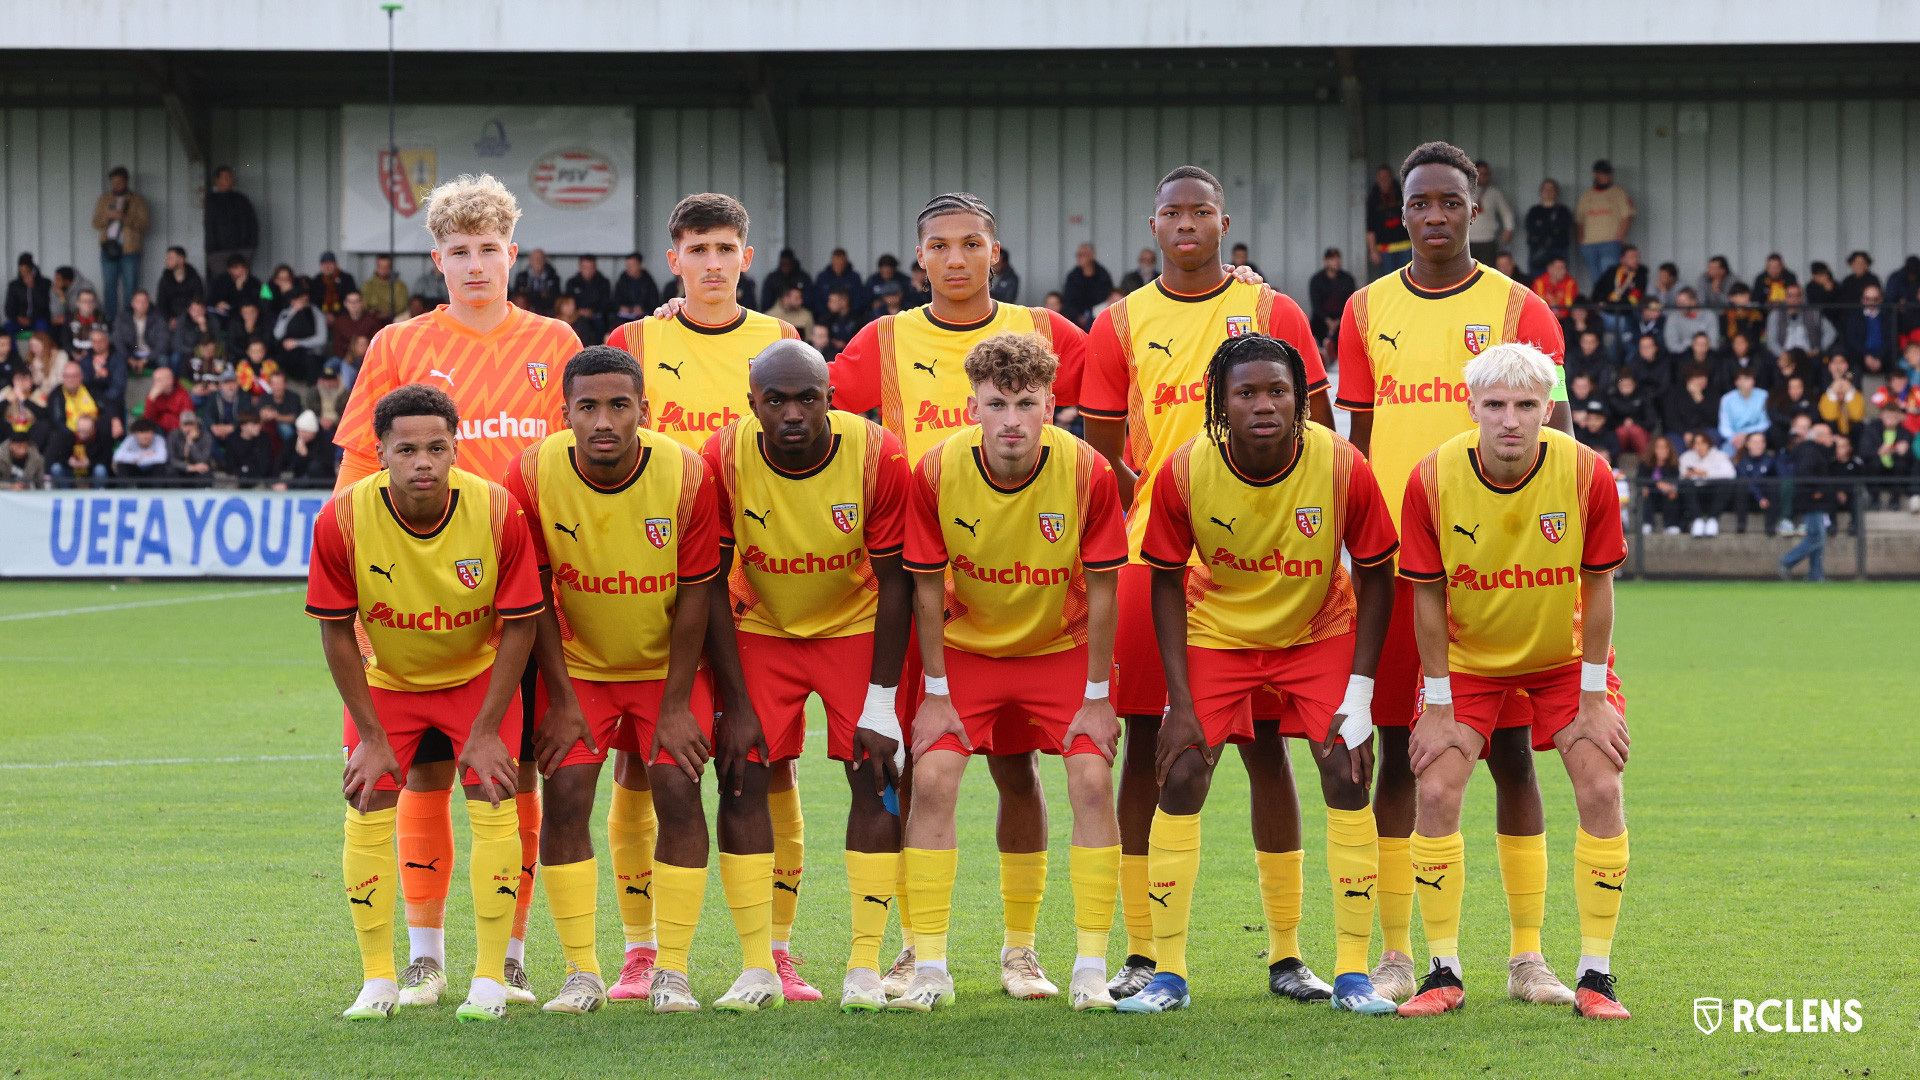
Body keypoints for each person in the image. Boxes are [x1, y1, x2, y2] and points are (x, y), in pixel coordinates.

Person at [828, 192, 1093, 998]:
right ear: (919, 260)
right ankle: (917, 946)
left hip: (1029, 591)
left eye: (970, 243)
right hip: (925, 591)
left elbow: (1138, 366)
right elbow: (804, 401)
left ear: (995, 252)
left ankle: (1021, 950)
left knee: (1019, 771)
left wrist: (1233, 281)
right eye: (938, 245)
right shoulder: (885, 337)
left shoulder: (1047, 332)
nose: (954, 258)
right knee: (914, 769)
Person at [1334, 142, 1578, 1007]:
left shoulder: (1522, 310)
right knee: (1405, 757)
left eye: (1450, 201)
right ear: (1398, 215)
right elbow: (1355, 450)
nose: (1434, 215)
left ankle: (1527, 957)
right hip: (1403, 572)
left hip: (1503, 576)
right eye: (1419, 203)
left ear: (1476, 209)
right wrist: (1348, 549)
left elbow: (1562, 452)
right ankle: (1400, 953)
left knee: (1514, 757)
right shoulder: (1364, 310)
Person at [333, 173, 584, 1010]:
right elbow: (357, 477)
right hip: (415, 596)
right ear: (436, 260)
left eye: (489, 249)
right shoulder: (397, 346)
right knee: (423, 778)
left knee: (514, 778)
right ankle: (425, 954)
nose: (475, 264)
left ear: (513, 253)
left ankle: (508, 953)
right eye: (458, 251)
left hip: (525, 597)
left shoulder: (554, 342)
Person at [1080, 165, 1330, 1001]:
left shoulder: (1275, 310)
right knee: (1152, 753)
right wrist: (1162, 513)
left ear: (1225, 223)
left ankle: (1287, 954)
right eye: (1172, 212)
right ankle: (1146, 954)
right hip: (1163, 569)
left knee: (1268, 754)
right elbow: (1108, 454)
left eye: (1202, 212)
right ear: (1153, 224)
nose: (1186, 224)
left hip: (1264, 568)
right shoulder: (1118, 324)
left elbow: (1318, 432)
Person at [1115, 334, 1399, 1017]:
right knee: (1181, 769)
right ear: (1220, 403)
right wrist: (1177, 704)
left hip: (1317, 631)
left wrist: (1359, 694)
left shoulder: (1341, 464)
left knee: (1344, 768)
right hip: (1219, 633)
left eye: (1278, 390)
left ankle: (1351, 973)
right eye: (1246, 392)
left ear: (1301, 400)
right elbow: (1162, 580)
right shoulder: (1187, 467)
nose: (1264, 404)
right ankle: (1169, 974)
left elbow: (1378, 573)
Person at [502, 344, 753, 1015]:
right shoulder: (530, 473)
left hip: (665, 669)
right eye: (588, 407)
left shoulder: (685, 473)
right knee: (567, 795)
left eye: (619, 405)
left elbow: (699, 594)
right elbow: (535, 598)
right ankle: (581, 973)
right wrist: (556, 698)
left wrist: (676, 705)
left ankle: (671, 970)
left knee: (677, 788)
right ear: (566, 413)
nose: (604, 420)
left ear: (646, 408)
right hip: (580, 670)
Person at [597, 192, 798, 1002]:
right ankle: (642, 950)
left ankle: (775, 949)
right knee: (642, 772)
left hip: (754, 590)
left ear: (746, 259)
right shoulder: (633, 341)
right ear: (672, 258)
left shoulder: (779, 343)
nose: (712, 263)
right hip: (654, 589)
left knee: (769, 771)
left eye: (726, 249)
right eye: (697, 249)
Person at [1396, 340, 1632, 1021]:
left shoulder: (1587, 473)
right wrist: (1436, 705)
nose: (1510, 420)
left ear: (1547, 408)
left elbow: (1600, 585)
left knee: (1601, 783)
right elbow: (1429, 597)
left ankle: (1597, 975)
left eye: (1526, 405)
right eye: (1495, 405)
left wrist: (1593, 697)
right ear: (1471, 407)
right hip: (1468, 661)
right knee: (1436, 789)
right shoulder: (1432, 478)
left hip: (1563, 660)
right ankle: (1442, 972)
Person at [892, 332, 1126, 1015]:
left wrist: (1098, 695)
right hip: (969, 654)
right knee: (932, 777)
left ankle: (1082, 964)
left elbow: (1105, 588)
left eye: (1027, 403)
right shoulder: (936, 469)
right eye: (997, 404)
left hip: (1059, 650)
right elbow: (926, 588)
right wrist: (934, 691)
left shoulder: (1088, 471)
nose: (1013, 420)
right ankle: (930, 963)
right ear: (973, 408)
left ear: (1052, 406)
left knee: (1089, 776)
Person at [306, 384, 542, 1022]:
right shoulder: (344, 518)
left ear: (455, 449)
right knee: (366, 797)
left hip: (475, 677)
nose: (423, 462)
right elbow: (334, 629)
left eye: (437, 447)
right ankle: (379, 980)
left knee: (496, 796)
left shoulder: (495, 511)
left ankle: (490, 980)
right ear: (379, 451)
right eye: (407, 448)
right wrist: (370, 734)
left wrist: (489, 727)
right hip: (389, 684)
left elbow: (520, 622)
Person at [699, 340, 915, 1012]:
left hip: (855, 627)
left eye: (807, 397)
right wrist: (733, 702)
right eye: (776, 399)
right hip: (761, 628)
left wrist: (882, 704)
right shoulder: (722, 456)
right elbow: (707, 582)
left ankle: (863, 965)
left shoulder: (878, 454)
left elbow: (897, 583)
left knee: (877, 778)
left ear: (831, 398)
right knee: (741, 776)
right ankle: (757, 966)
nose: (792, 412)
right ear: (752, 404)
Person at [1779, 423, 1834, 580]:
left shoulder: (1814, 450)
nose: (1831, 437)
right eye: (1828, 434)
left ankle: (1816, 575)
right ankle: (1787, 561)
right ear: (1819, 437)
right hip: (1810, 500)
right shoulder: (1811, 451)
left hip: (1812, 500)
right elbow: (1804, 473)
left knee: (1818, 538)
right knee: (1816, 537)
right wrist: (1817, 489)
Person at [92, 167, 150, 315]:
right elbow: (96, 223)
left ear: (126, 182)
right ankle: (111, 321)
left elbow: (144, 225)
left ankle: (129, 320)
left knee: (130, 288)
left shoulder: (137, 200)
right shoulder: (105, 199)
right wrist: (108, 217)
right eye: (113, 182)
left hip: (130, 250)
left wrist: (124, 218)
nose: (116, 185)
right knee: (109, 287)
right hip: (109, 249)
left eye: (119, 182)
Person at [1575, 161, 1633, 289]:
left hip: (1610, 244)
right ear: (1596, 174)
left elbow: (1627, 216)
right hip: (1589, 245)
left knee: (1611, 280)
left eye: (1607, 174)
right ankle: (1600, 308)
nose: (1605, 177)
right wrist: (1581, 240)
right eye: (1602, 173)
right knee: (1597, 282)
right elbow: (1579, 221)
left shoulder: (1618, 192)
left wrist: (1618, 237)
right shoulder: (1587, 195)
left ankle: (1609, 308)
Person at [1678, 429, 1735, 537]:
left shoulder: (1720, 455)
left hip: (1713, 492)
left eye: (1702, 443)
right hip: (1696, 493)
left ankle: (1712, 519)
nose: (1699, 447)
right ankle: (1697, 520)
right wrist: (1696, 474)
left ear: (1708, 444)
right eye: (1696, 443)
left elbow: (1730, 473)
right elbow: (1683, 475)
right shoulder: (1686, 457)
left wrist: (1706, 473)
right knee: (1685, 484)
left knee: (1724, 484)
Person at [271, 287, 330, 382]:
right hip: (291, 354)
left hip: (311, 352)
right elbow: (278, 334)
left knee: (311, 361)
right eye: (296, 300)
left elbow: (322, 339)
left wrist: (297, 343)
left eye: (301, 299)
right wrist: (292, 312)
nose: (299, 302)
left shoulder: (316, 313)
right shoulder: (286, 312)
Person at [1593, 247, 1646, 351]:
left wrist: (1607, 305)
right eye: (1632, 257)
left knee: (1621, 328)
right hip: (1605, 314)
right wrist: (1600, 303)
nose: (1636, 260)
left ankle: (1624, 362)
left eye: (1637, 257)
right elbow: (1597, 291)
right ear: (1622, 260)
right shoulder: (1612, 271)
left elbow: (1631, 302)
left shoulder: (1640, 276)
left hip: (1626, 315)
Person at [1308, 248, 1357, 357]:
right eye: (1332, 259)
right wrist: (1328, 320)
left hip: (1342, 318)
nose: (1336, 261)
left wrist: (1339, 320)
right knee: (1313, 329)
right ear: (1326, 261)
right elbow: (1315, 305)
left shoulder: (1347, 279)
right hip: (1322, 319)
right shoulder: (1316, 280)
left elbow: (1351, 303)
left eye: (1337, 258)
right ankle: (1321, 354)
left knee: (1350, 329)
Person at [1523, 179, 1574, 280]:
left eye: (1551, 189)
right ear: (1541, 191)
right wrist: (1552, 227)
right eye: (1546, 189)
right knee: (1537, 281)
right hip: (1538, 252)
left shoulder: (1563, 211)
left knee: (1559, 281)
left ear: (1556, 192)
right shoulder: (1534, 211)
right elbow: (1530, 229)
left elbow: (1563, 228)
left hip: (1558, 251)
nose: (1548, 192)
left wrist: (1542, 226)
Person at [1766, 283, 1836, 357]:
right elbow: (1771, 341)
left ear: (1803, 297)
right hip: (1784, 356)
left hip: (1809, 355)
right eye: (1790, 296)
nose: (1794, 299)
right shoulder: (1775, 314)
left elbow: (1831, 332)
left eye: (1798, 296)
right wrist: (1783, 355)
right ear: (1785, 298)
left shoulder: (1813, 313)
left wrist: (1818, 350)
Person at [1467, 160, 1516, 265]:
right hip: (1467, 240)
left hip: (1488, 240)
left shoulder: (1494, 193)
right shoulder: (1466, 192)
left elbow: (1506, 213)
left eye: (1486, 174)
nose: (1483, 177)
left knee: (1487, 271)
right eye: (1480, 174)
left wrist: (1508, 229)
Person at [46, 411, 111, 487]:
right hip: (71, 472)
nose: (83, 435)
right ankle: (66, 494)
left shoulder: (101, 438)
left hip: (91, 473)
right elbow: (56, 456)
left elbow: (106, 459)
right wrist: (69, 461)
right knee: (56, 468)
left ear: (93, 429)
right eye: (80, 431)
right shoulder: (69, 437)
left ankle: (99, 495)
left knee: (100, 470)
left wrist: (90, 463)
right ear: (77, 428)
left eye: (86, 432)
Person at [1844, 284, 1896, 375]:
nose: (1871, 302)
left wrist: (1879, 357)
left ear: (1881, 299)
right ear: (1862, 299)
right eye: (1867, 299)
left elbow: (1891, 339)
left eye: (1875, 299)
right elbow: (1851, 339)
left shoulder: (1888, 315)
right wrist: (1866, 356)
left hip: (1884, 355)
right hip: (1860, 355)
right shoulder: (1854, 315)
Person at [1638, 435, 1685, 533]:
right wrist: (1657, 484)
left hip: (1666, 496)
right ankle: (1647, 523)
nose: (1661, 450)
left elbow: (1675, 481)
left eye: (1664, 447)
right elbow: (1641, 480)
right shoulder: (1645, 464)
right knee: (1645, 493)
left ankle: (1671, 525)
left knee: (1672, 495)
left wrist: (1669, 487)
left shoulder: (1673, 465)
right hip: (1651, 495)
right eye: (1659, 447)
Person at [1060, 244, 1114, 330]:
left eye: (1082, 255)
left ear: (1091, 256)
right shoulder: (1073, 276)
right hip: (1076, 323)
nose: (1079, 258)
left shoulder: (1103, 275)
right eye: (1077, 255)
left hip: (1099, 320)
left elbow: (1107, 298)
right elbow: (1068, 300)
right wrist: (1077, 316)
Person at [1719, 368, 1770, 449]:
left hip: (1757, 436)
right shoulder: (1727, 399)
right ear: (1737, 382)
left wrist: (1746, 434)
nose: (1750, 381)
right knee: (1725, 454)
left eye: (1751, 378)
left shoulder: (1763, 396)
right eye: (1746, 379)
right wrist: (1734, 438)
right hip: (1734, 439)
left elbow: (1765, 423)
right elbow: (1724, 426)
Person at [564, 255, 613, 340]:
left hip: (597, 315)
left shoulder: (603, 282)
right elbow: (567, 301)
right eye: (585, 267)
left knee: (601, 323)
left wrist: (592, 311)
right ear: (580, 267)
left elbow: (606, 303)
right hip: (577, 314)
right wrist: (579, 311)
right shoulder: (572, 283)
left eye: (591, 267)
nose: (588, 270)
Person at [331, 291, 389, 361]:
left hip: (369, 357)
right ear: (345, 304)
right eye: (350, 302)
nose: (354, 305)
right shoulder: (339, 322)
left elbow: (377, 342)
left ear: (362, 303)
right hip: (345, 358)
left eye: (357, 301)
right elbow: (337, 345)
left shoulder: (372, 320)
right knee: (329, 367)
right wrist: (347, 357)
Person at [154, 247, 205, 324]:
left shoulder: (194, 278)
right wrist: (169, 320)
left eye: (171, 258)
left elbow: (197, 301)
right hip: (168, 321)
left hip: (190, 320)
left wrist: (182, 320)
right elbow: (161, 303)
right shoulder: (165, 279)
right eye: (167, 258)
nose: (167, 261)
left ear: (181, 260)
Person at [1819, 355, 1866, 438]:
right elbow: (1829, 417)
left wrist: (1848, 391)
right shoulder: (1825, 393)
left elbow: (1857, 416)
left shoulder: (1855, 391)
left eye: (1841, 362)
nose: (1838, 366)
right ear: (1829, 366)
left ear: (1847, 365)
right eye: (1834, 362)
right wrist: (1833, 391)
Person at [8, 254, 52, 333]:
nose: (23, 274)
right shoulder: (14, 285)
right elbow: (9, 308)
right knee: (7, 329)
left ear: (32, 270)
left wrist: (33, 288)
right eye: (21, 271)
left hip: (38, 320)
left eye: (26, 271)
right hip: (20, 322)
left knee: (42, 327)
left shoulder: (45, 283)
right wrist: (18, 318)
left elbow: (45, 305)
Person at [143, 365, 194, 432]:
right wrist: (151, 400)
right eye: (155, 380)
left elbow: (187, 422)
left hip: (177, 431)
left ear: (169, 381)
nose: (155, 384)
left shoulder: (183, 396)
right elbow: (147, 419)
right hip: (158, 430)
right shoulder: (153, 394)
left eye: (158, 380)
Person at [167, 408, 214, 481]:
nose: (188, 428)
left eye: (191, 424)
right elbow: (172, 459)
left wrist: (191, 443)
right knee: (171, 471)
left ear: (196, 424)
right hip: (181, 468)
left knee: (205, 472)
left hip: (199, 468)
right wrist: (189, 467)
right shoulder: (174, 435)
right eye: (185, 424)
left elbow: (203, 459)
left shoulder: (206, 436)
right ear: (180, 425)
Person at [614, 253, 662, 324]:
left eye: (632, 265)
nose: (628, 268)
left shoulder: (648, 281)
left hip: (642, 318)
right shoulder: (622, 280)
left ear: (639, 265)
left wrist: (643, 309)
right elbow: (615, 300)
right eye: (627, 265)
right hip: (624, 318)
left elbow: (654, 303)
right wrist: (621, 307)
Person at [757, 249, 809, 314]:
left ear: (792, 263)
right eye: (783, 264)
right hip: (777, 313)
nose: (785, 267)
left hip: (799, 313)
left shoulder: (803, 278)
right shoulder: (772, 278)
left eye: (787, 264)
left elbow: (809, 300)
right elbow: (766, 303)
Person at [361, 254, 410, 321]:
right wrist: (374, 312)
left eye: (386, 267)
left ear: (391, 268)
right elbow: (364, 305)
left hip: (394, 318)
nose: (383, 270)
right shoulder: (367, 285)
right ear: (376, 268)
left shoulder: (400, 286)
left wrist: (389, 313)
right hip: (372, 318)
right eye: (380, 267)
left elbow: (402, 306)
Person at [513, 249, 561, 316]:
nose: (538, 261)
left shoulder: (553, 277)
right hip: (525, 312)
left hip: (546, 312)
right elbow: (518, 297)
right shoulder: (522, 277)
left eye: (540, 259)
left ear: (545, 261)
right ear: (530, 261)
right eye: (535, 259)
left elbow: (554, 298)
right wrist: (540, 295)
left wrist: (530, 293)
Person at [310, 253, 358, 317]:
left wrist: (335, 315)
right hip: (321, 316)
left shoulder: (346, 279)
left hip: (343, 315)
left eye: (329, 263)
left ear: (335, 264)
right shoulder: (316, 280)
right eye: (324, 264)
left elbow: (350, 299)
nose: (327, 267)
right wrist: (324, 315)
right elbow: (314, 302)